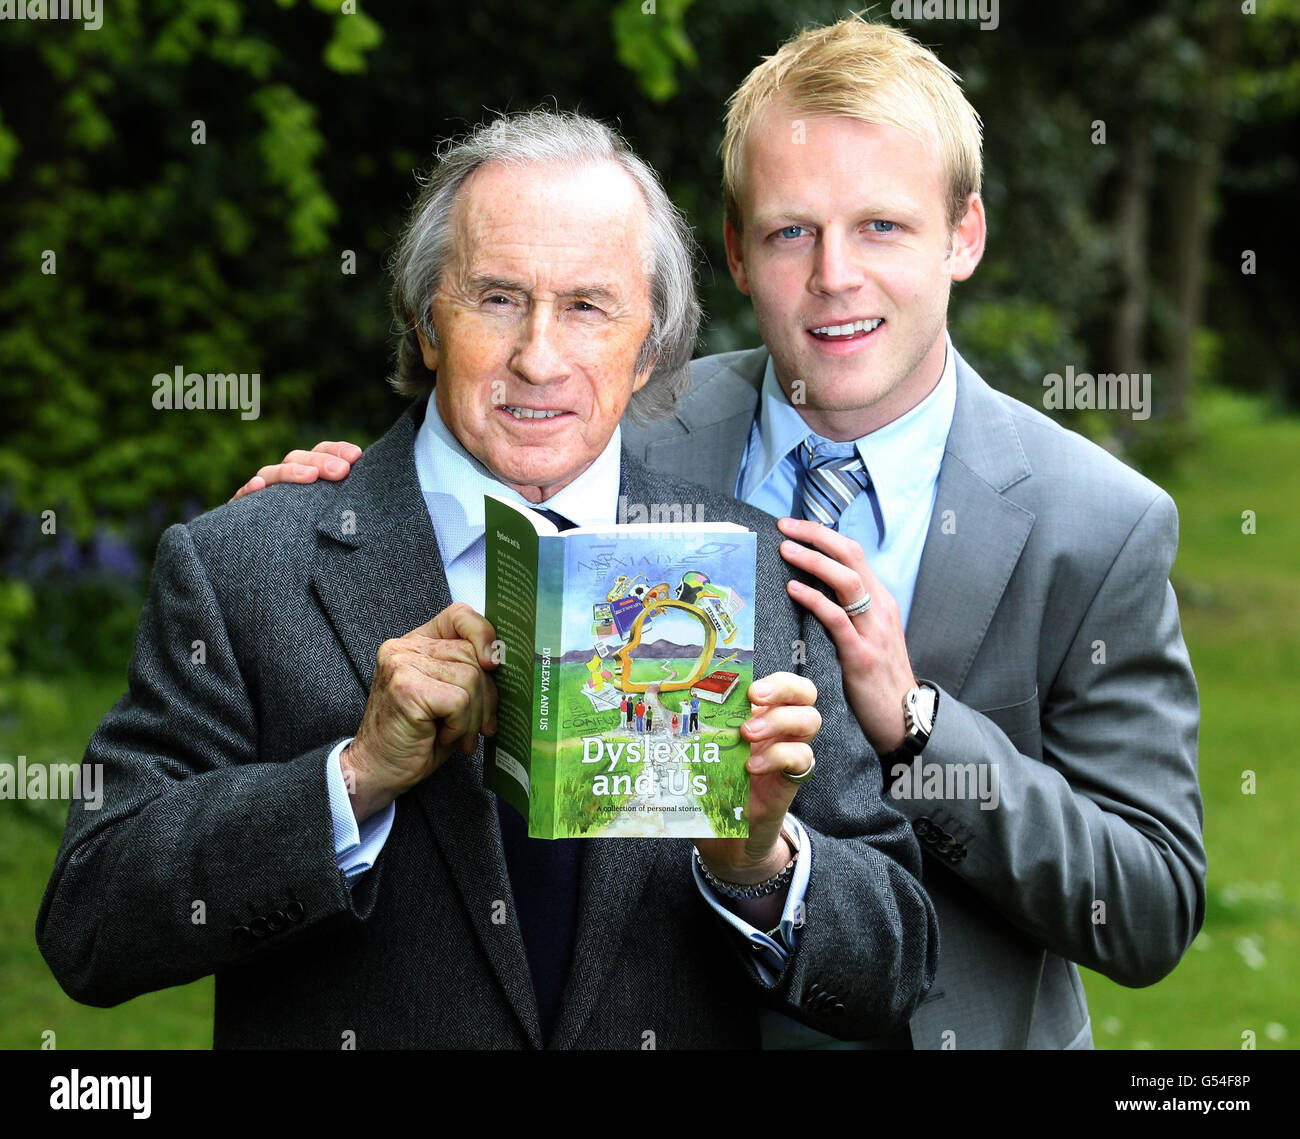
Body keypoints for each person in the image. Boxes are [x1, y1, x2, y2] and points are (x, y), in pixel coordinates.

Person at [242, 19, 1206, 1050]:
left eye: (881, 225)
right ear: (738, 254)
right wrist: (328, 505)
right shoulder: (618, 415)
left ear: (962, 235)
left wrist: (921, 729)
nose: (834, 273)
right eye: (793, 232)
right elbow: (446, 479)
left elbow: (1148, 906)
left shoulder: (1095, 521)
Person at [37, 109, 937, 1049]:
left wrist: (760, 863)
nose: (537, 356)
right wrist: (351, 779)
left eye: (588, 306)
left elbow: (896, 968)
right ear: (428, 324)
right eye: (497, 298)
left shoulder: (751, 570)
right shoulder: (246, 562)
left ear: (649, 349)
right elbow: (88, 923)